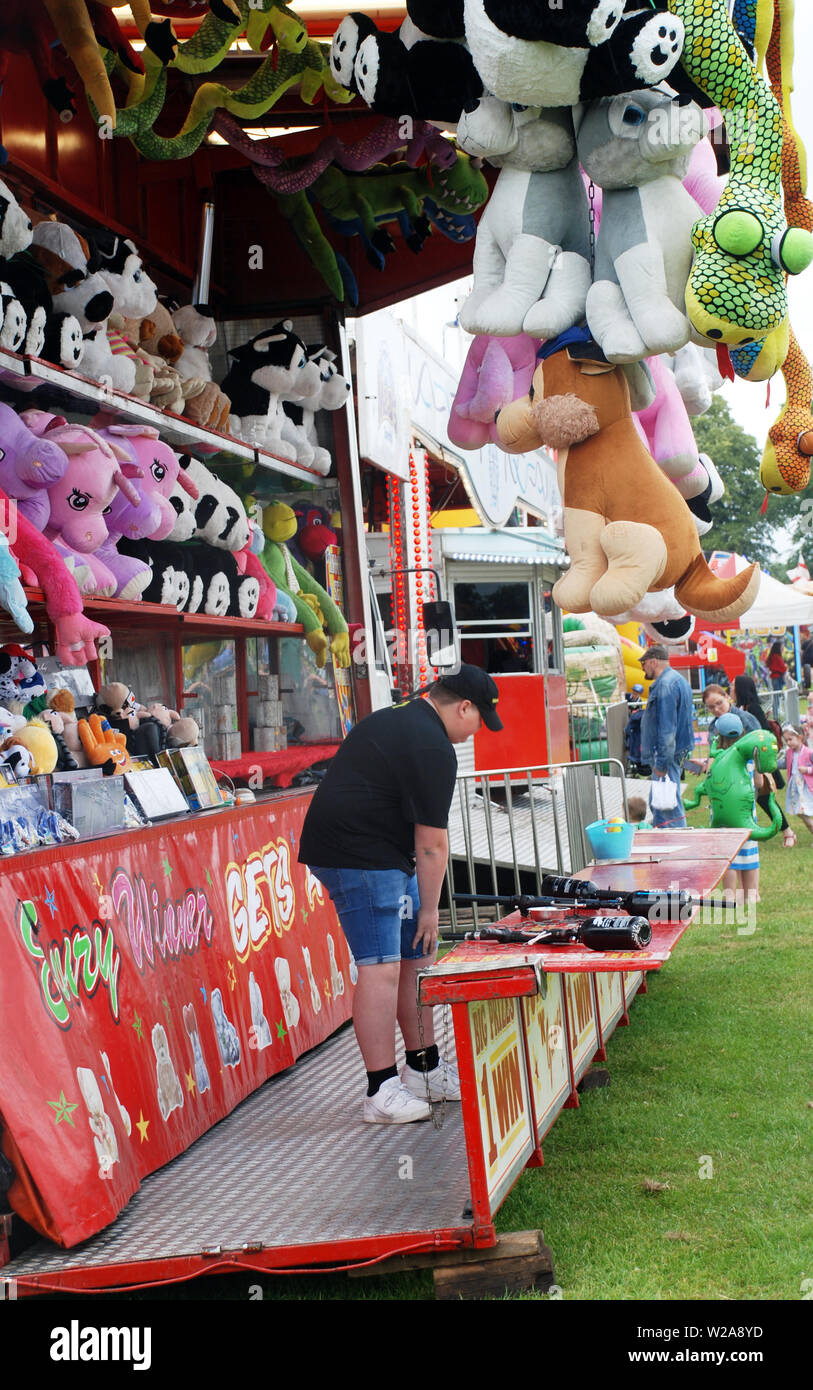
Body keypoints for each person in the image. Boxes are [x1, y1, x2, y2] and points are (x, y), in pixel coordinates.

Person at [299, 664, 503, 1125]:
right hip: (357, 856)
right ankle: (379, 1089)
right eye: (479, 721)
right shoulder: (433, 745)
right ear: (463, 707)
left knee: (417, 954)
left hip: (384, 852)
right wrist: (430, 909)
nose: (477, 733)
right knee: (381, 968)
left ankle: (423, 1068)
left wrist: (425, 915)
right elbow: (432, 844)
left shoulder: (407, 716)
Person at [733, 673, 795, 847]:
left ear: (740, 689)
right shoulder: (743, 708)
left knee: (765, 798)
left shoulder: (753, 709)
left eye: (733, 686)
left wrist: (761, 765)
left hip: (759, 762)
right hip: (747, 762)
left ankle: (788, 832)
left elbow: (763, 735)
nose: (730, 689)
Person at [639, 645, 695, 828]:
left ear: (654, 661)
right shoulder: (678, 680)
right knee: (662, 804)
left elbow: (667, 730)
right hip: (673, 752)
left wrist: (661, 763)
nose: (642, 668)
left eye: (644, 663)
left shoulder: (665, 685)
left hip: (665, 755)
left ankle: (675, 848)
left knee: (667, 810)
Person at [713, 713, 761, 903]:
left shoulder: (719, 758)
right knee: (749, 853)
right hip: (747, 815)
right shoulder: (748, 758)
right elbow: (758, 783)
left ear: (719, 736)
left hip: (724, 814)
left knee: (728, 856)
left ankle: (729, 895)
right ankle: (752, 893)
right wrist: (757, 765)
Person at [782, 724, 813, 842]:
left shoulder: (809, 753)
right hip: (796, 789)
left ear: (800, 738)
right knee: (801, 813)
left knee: (805, 815)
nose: (788, 743)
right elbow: (785, 764)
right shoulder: (789, 753)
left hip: (806, 789)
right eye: (786, 740)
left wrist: (807, 770)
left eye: (790, 739)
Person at [766, 639, 788, 717]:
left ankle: (776, 713)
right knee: (776, 697)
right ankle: (776, 714)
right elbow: (783, 668)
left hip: (775, 677)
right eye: (782, 646)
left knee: (776, 697)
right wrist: (785, 667)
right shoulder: (776, 656)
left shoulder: (772, 656)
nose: (783, 648)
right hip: (777, 678)